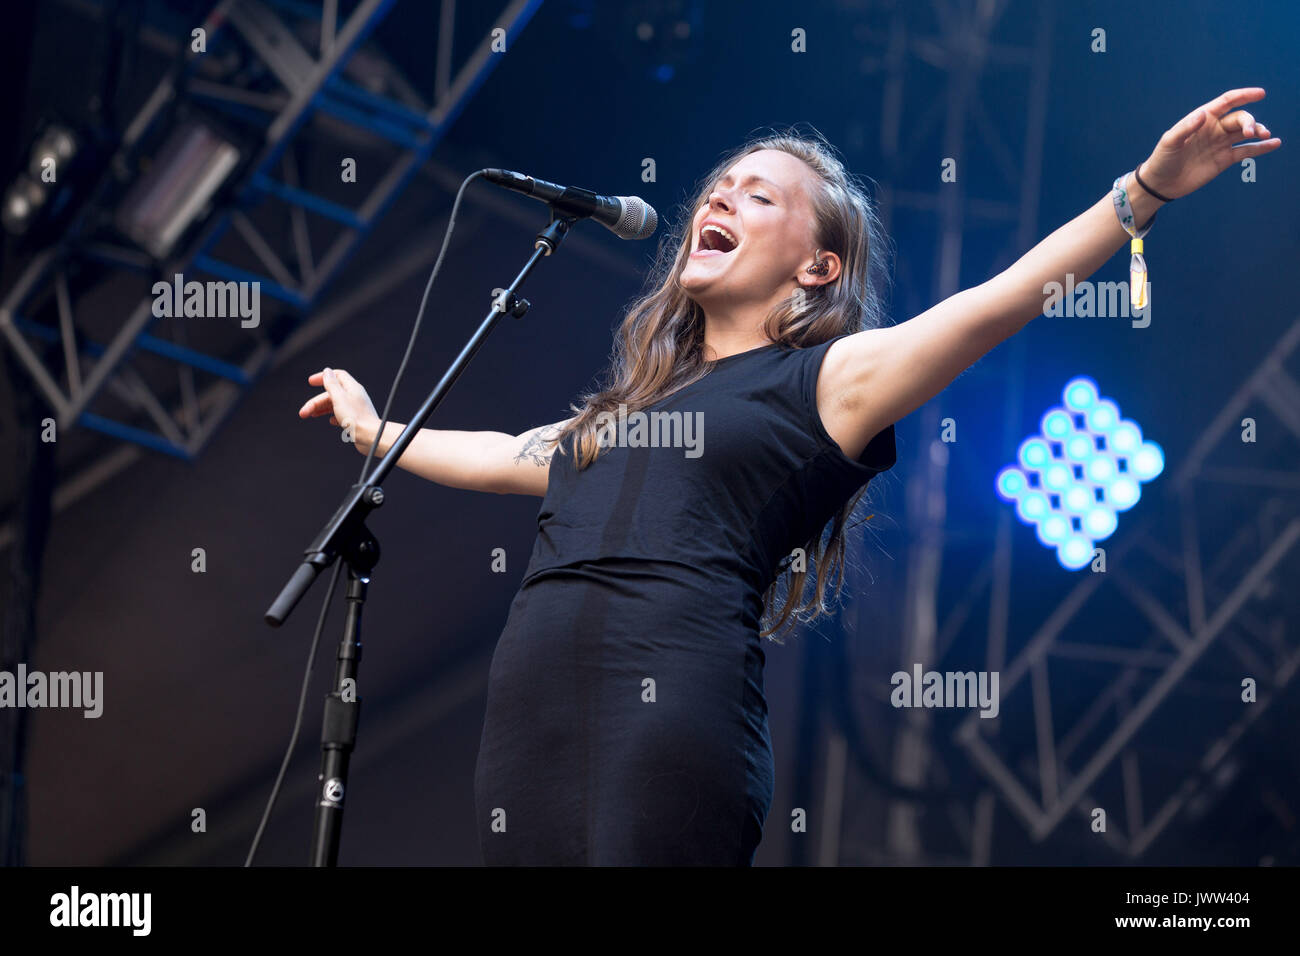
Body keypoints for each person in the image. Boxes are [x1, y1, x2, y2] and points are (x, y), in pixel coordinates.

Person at [299, 90, 1279, 865]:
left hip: (668, 713)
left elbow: (999, 301)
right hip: (526, 728)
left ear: (817, 266)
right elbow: (502, 452)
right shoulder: (625, 416)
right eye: (717, 187)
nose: (717, 197)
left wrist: (1143, 189)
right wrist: (372, 427)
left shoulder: (832, 380)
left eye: (756, 194)